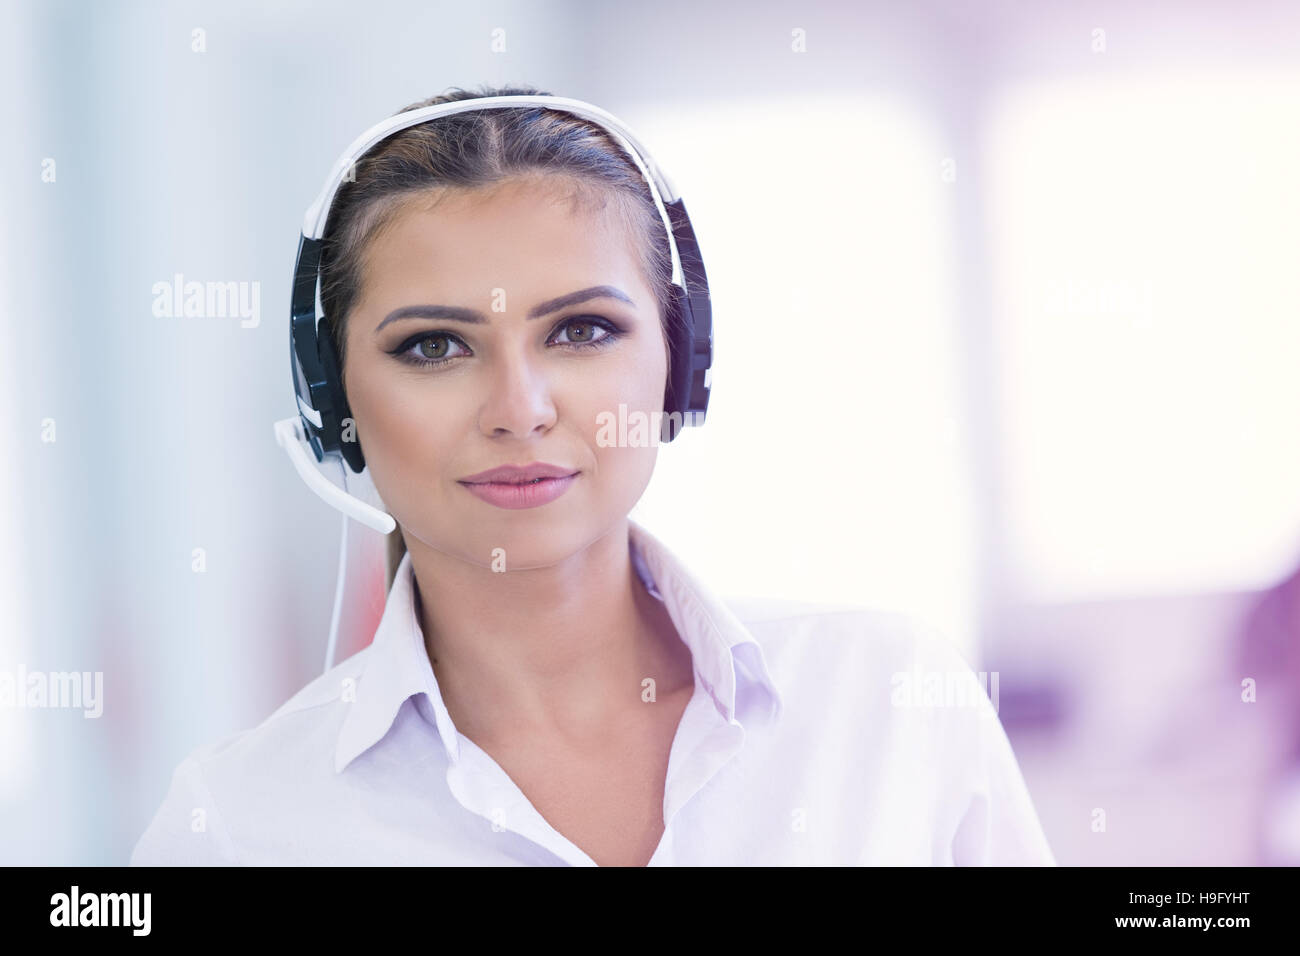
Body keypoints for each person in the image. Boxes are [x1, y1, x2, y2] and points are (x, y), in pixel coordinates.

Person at [129, 85, 1056, 866]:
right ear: (334, 403)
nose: (519, 407)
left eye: (580, 331)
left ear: (679, 364)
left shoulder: (887, 702)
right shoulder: (236, 825)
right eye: (435, 346)